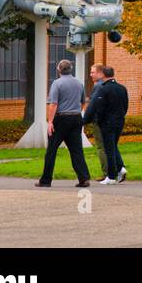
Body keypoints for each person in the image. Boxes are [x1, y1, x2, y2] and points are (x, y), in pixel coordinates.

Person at [35, 59, 91, 188]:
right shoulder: (79, 83)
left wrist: (50, 122)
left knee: (51, 150)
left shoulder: (57, 83)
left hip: (61, 119)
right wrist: (77, 112)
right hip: (76, 118)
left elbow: (53, 103)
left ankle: (46, 180)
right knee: (76, 150)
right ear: (70, 69)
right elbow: (83, 102)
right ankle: (84, 178)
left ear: (59, 70)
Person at [83, 64, 129, 184]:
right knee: (113, 146)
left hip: (107, 123)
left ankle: (111, 176)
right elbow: (125, 106)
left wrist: (85, 120)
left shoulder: (104, 89)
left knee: (108, 148)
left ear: (103, 74)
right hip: (119, 121)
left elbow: (96, 106)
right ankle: (120, 168)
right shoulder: (122, 88)